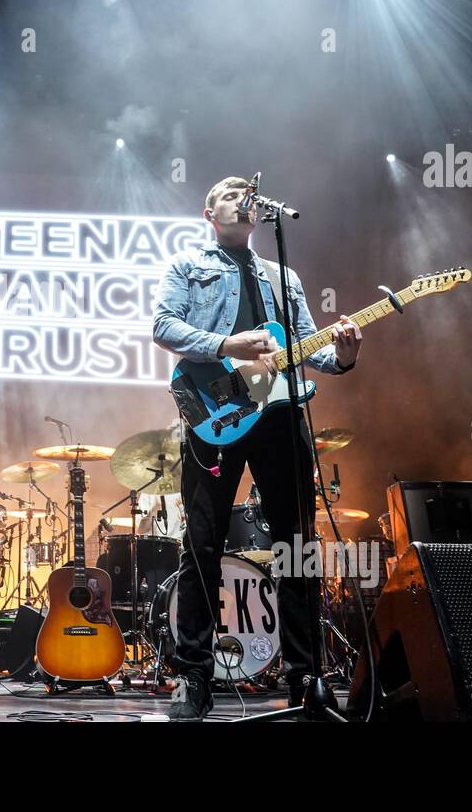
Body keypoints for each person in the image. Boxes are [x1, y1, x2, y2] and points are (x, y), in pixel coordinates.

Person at [151, 175, 362, 720]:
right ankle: (193, 678)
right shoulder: (187, 266)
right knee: (202, 541)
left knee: (297, 545)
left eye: (248, 192)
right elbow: (162, 325)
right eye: (228, 192)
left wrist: (341, 355)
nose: (241, 198)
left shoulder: (281, 274)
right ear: (208, 211)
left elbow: (307, 347)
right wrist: (225, 344)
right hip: (216, 413)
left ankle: (305, 676)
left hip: (279, 416)